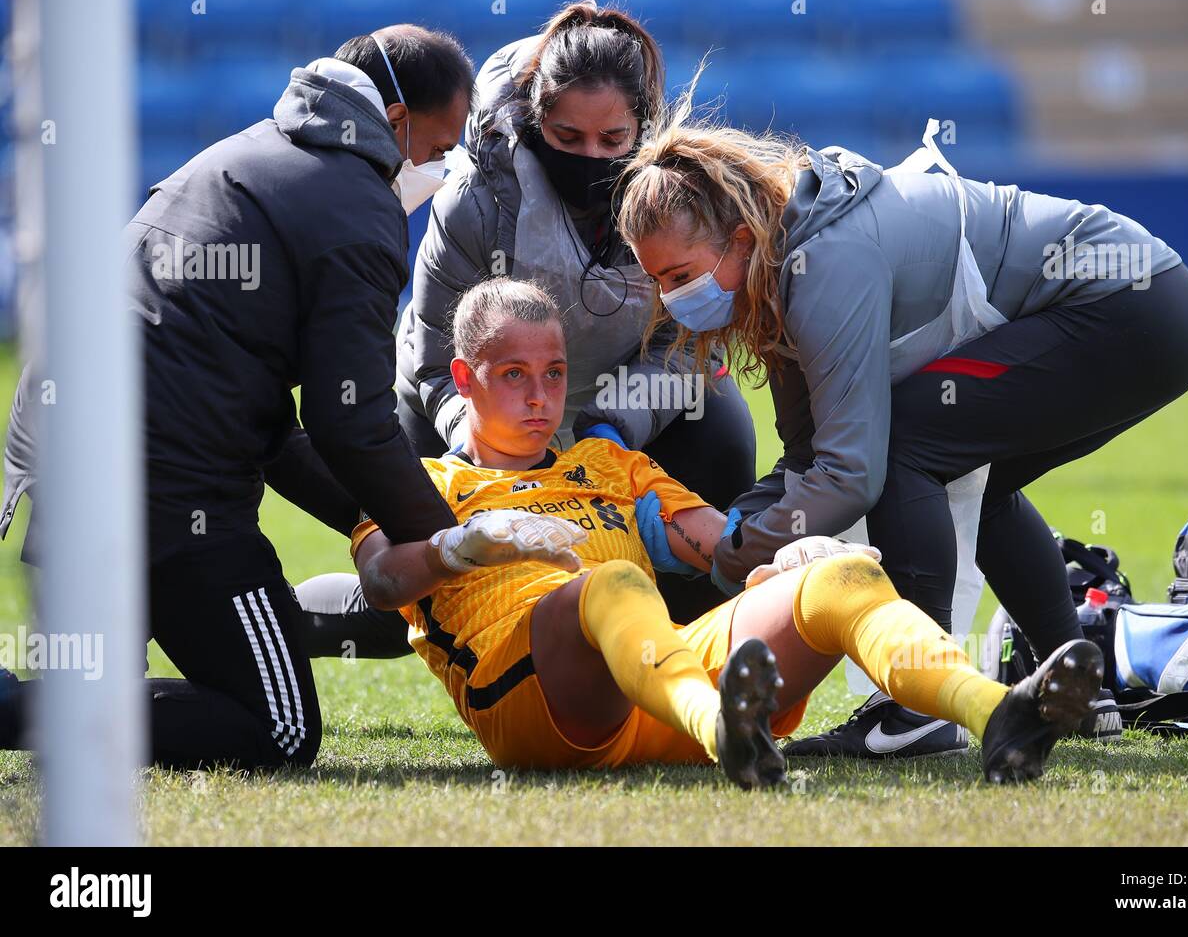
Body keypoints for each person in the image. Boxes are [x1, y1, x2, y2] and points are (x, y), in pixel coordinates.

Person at [613, 102, 1188, 760]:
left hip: (1132, 306)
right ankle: (1076, 689)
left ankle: (917, 708)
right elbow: (809, 455)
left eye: (680, 276)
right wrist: (732, 531)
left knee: (905, 446)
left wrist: (732, 554)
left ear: (740, 240)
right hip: (1146, 305)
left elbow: (850, 475)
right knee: (961, 467)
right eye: (658, 281)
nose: (671, 299)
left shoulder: (821, 264)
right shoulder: (783, 264)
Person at [346, 275, 1105, 787]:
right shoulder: (428, 485)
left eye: (553, 373)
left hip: (662, 698)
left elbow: (719, 542)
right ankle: (725, 729)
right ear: (464, 375)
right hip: (542, 713)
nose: (541, 396)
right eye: (513, 374)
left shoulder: (608, 465)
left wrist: (791, 556)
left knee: (842, 576)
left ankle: (998, 714)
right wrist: (462, 543)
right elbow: (381, 583)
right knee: (612, 582)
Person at [0, 25, 490, 771]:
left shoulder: (254, 150)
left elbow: (272, 426)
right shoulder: (357, 207)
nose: (437, 165)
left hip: (71, 460)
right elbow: (349, 420)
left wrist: (377, 519)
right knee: (279, 729)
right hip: (163, 490)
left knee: (111, 692)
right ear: (393, 122)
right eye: (435, 145)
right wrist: (451, 541)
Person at [297, 0, 759, 660]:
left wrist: (609, 434)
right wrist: (494, 453)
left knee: (714, 443)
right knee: (415, 607)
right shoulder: (475, 198)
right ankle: (279, 620)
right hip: (470, 406)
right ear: (536, 117)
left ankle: (675, 667)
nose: (590, 157)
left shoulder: (671, 196)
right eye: (568, 139)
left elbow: (681, 342)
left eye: (612, 141)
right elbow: (432, 360)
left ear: (642, 129)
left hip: (626, 413)